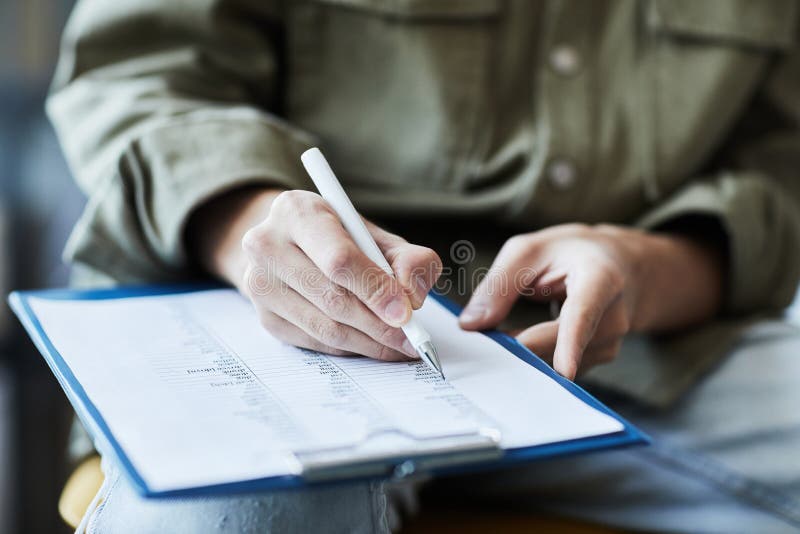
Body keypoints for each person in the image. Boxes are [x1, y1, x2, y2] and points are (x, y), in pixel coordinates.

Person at [47, 1, 800, 532]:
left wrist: (650, 268)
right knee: (244, 507)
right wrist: (252, 220)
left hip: (643, 346)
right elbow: (137, 77)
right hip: (289, 328)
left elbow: (780, 168)